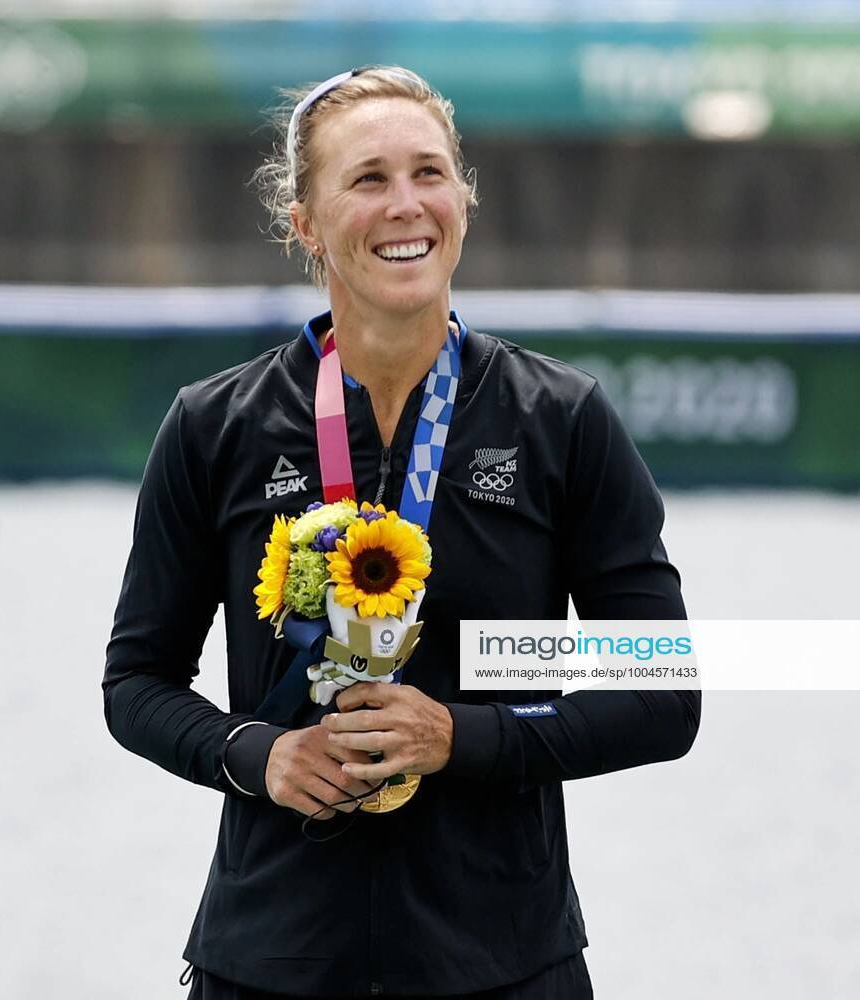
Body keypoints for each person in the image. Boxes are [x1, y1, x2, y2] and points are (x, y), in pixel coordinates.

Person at [103, 66, 701, 999]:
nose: (405, 205)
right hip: (271, 962)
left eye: (429, 173)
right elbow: (136, 683)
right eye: (368, 179)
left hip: (502, 963)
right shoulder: (215, 426)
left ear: (464, 200)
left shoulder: (561, 419)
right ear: (306, 224)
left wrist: (459, 735)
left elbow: (662, 690)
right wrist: (259, 755)